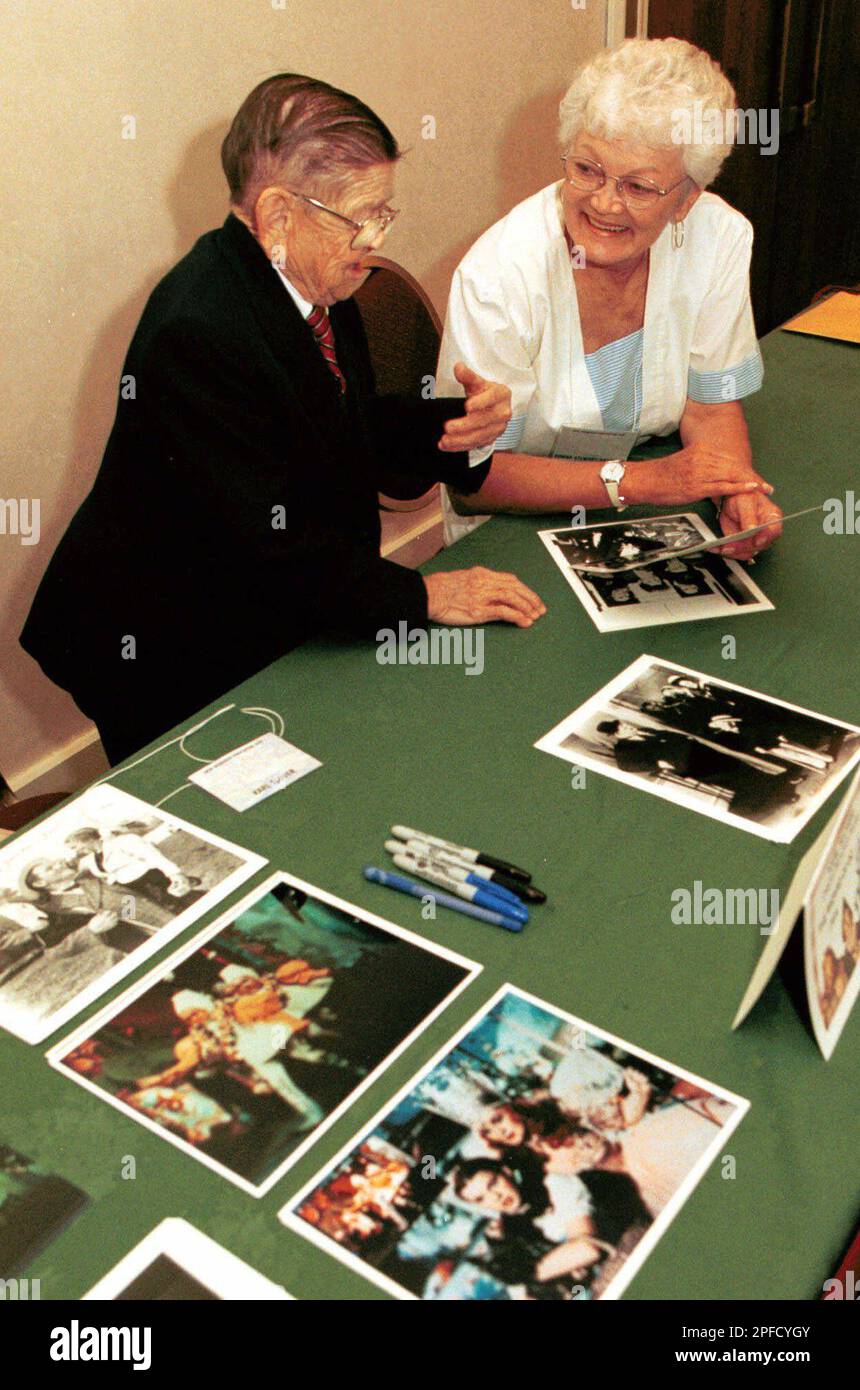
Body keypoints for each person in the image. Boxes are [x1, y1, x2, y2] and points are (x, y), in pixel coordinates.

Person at [20, 74, 543, 765]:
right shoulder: (198, 332)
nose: (377, 237)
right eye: (363, 217)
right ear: (277, 216)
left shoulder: (312, 277)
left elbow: (340, 426)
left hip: (261, 602)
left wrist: (455, 428)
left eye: (386, 213)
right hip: (162, 645)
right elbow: (274, 551)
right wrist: (423, 594)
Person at [437, 38, 783, 555]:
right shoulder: (499, 275)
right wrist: (640, 482)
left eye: (639, 187)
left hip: (654, 503)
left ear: (688, 198)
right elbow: (475, 482)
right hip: (513, 527)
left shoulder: (719, 237)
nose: (604, 203)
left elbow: (709, 409)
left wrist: (738, 489)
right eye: (587, 169)